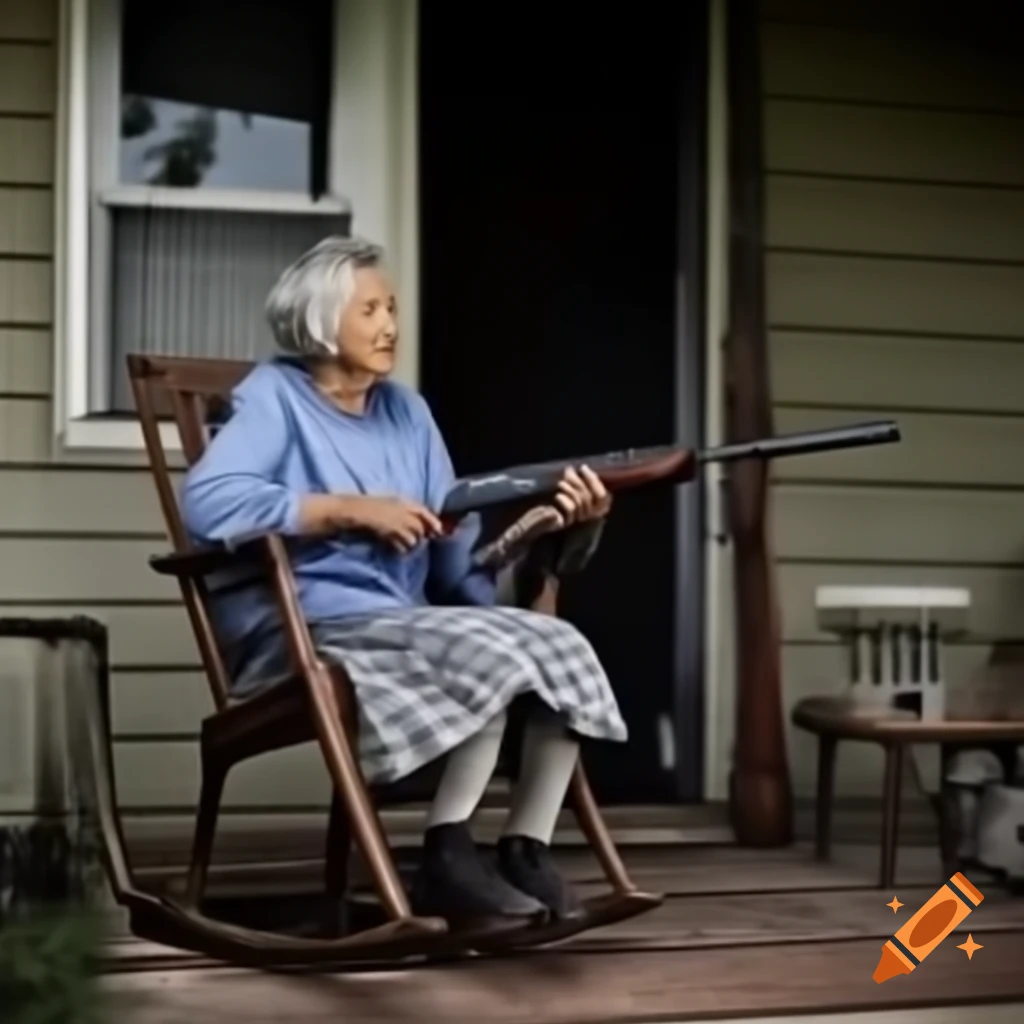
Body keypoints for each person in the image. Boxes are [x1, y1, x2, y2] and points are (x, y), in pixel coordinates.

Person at [180, 235, 628, 926]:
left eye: (392, 307)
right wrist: (348, 511)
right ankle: (447, 854)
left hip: (401, 625)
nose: (390, 324)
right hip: (307, 633)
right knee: (486, 651)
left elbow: (458, 572)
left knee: (552, 641)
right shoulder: (276, 398)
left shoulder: (407, 413)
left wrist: (551, 535)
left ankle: (524, 848)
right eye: (370, 310)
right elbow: (208, 503)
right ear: (321, 319)